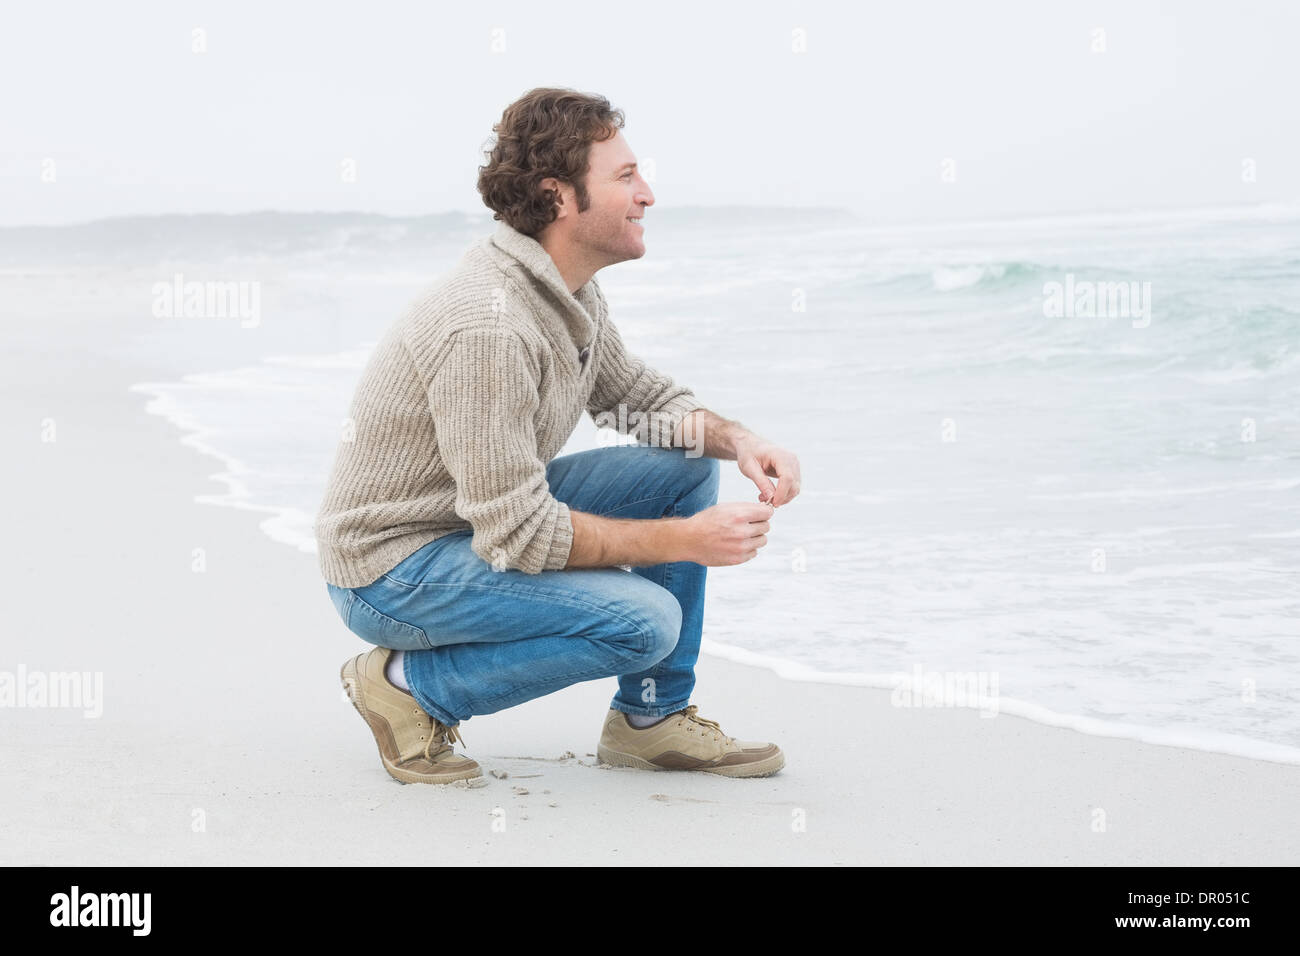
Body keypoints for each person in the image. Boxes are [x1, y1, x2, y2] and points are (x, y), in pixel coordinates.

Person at [316, 87, 802, 785]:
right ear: (559, 197)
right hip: (393, 569)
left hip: (469, 523)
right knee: (645, 622)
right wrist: (683, 542)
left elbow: (633, 398)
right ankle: (408, 687)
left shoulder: (563, 288)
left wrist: (742, 441)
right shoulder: (487, 327)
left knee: (688, 468)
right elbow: (518, 534)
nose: (649, 196)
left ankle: (650, 719)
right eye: (626, 177)